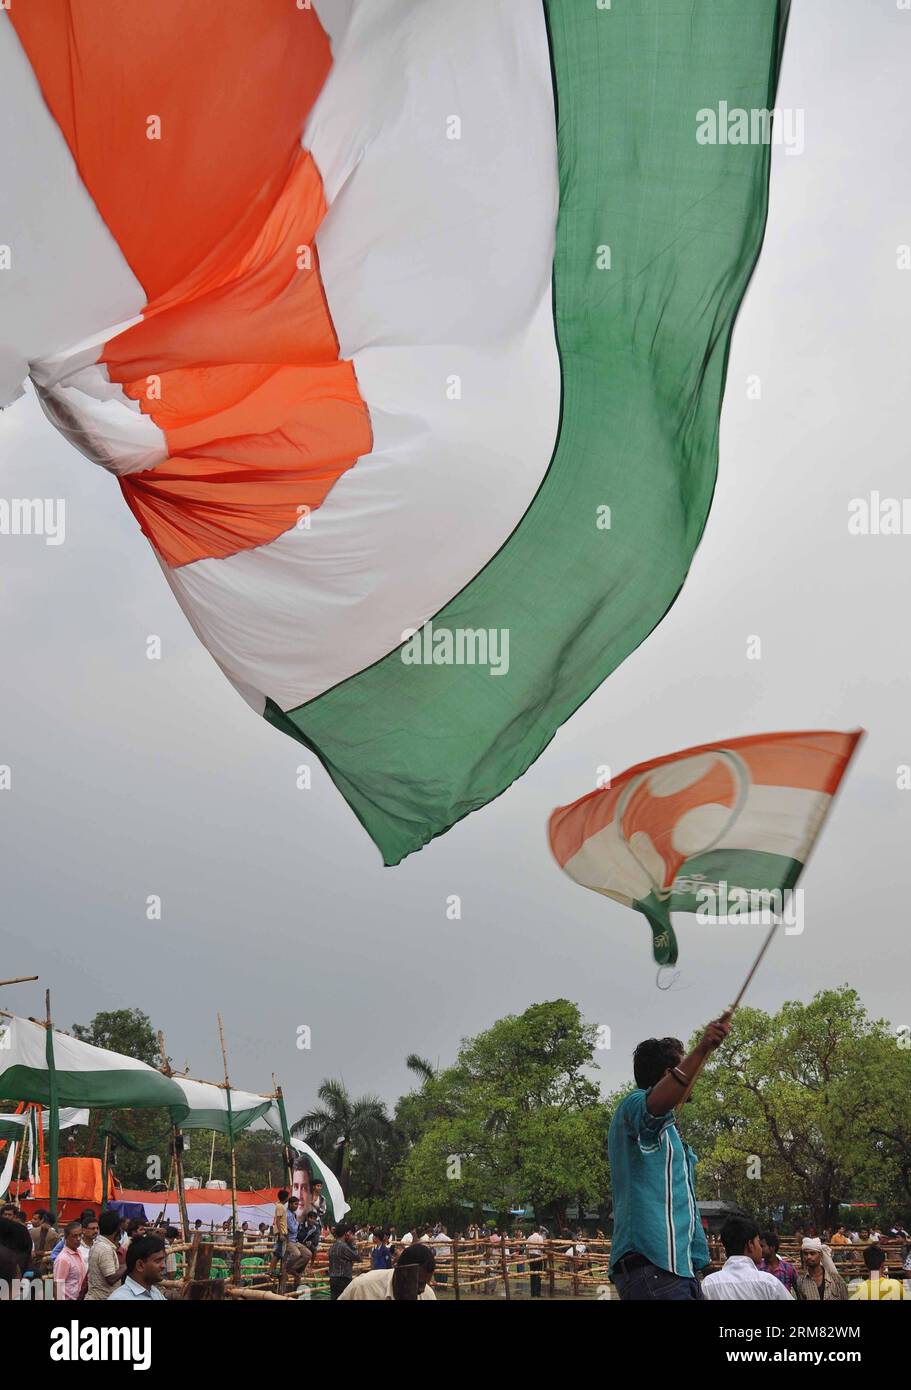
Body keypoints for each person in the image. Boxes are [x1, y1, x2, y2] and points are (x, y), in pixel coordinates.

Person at [608, 1014, 731, 1300]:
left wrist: (699, 1262)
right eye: (685, 1065)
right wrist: (703, 1047)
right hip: (652, 1267)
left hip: (679, 1270)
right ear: (668, 1075)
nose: (695, 1073)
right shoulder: (633, 1104)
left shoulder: (673, 1132)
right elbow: (653, 1107)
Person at [702, 1217, 792, 1301]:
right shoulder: (769, 1283)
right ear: (750, 1245)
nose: (760, 1248)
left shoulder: (708, 1284)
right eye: (758, 1243)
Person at [338, 1242, 436, 1300]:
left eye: (425, 1284)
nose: (422, 1290)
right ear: (401, 1272)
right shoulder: (362, 1288)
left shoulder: (427, 1296)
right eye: (419, 1283)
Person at [107, 1234, 168, 1301]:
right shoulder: (120, 1298)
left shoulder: (154, 1292)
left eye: (163, 1260)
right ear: (140, 1265)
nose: (163, 1266)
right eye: (158, 1261)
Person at [794, 1237, 849, 1301]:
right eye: (806, 1254)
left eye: (812, 1253)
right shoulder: (801, 1282)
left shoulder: (836, 1280)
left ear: (821, 1255)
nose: (808, 1257)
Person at [85, 1209, 124, 1300]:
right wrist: (127, 1265)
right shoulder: (105, 1249)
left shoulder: (98, 1244)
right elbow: (111, 1279)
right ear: (116, 1230)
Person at [53, 1221, 88, 1301]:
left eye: (80, 1235)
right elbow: (57, 1285)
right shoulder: (63, 1259)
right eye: (74, 1236)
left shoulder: (78, 1252)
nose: (78, 1239)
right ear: (66, 1238)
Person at [328, 1224, 361, 1299]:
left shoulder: (332, 1247)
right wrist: (352, 1243)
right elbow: (358, 1257)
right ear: (345, 1233)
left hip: (333, 1278)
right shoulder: (344, 1246)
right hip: (343, 1279)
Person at [270, 1188, 289, 1274]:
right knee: (277, 1253)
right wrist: (281, 1234)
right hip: (280, 1232)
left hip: (282, 1232)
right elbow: (277, 1221)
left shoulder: (280, 1206)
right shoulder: (280, 1207)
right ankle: (271, 1270)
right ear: (285, 1198)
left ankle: (273, 1270)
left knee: (280, 1253)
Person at [527, 1226, 545, 1298]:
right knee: (538, 1275)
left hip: (531, 1257)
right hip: (538, 1257)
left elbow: (527, 1249)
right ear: (539, 1231)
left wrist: (528, 1258)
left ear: (533, 1231)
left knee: (532, 1275)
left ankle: (533, 1293)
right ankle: (538, 1293)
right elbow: (542, 1248)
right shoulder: (540, 1237)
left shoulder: (529, 1237)